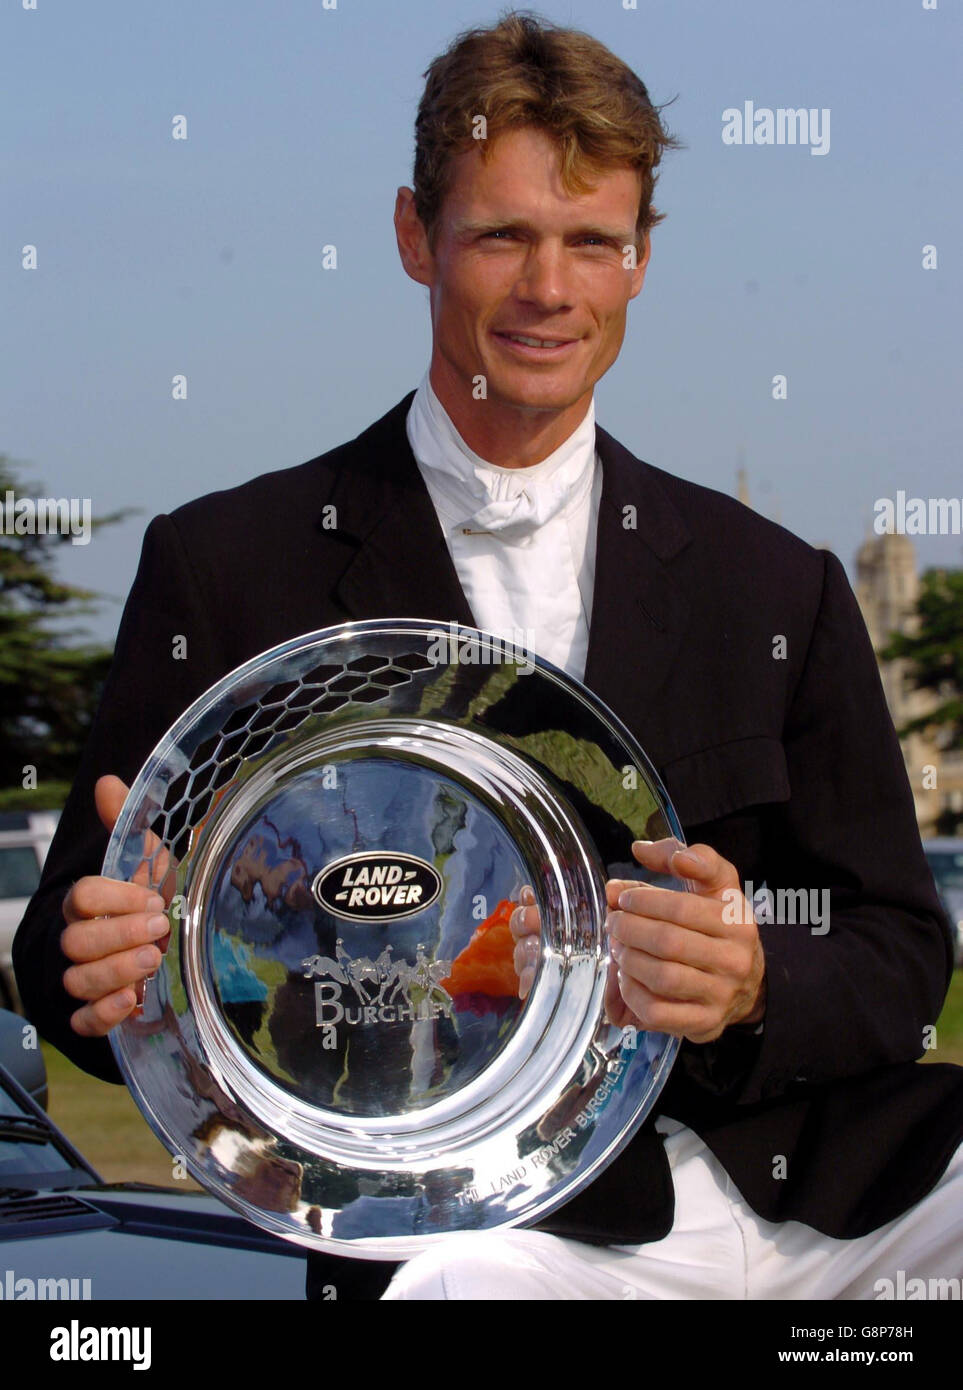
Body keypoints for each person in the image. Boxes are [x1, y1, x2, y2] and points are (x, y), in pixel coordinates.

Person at [14, 12, 963, 1300]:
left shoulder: (774, 582)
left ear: (641, 259)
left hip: (819, 1198)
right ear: (414, 235)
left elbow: (902, 951)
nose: (550, 290)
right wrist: (98, 960)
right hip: (487, 1237)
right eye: (503, 235)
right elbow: (66, 957)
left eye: (592, 242)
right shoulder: (229, 565)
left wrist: (753, 985)